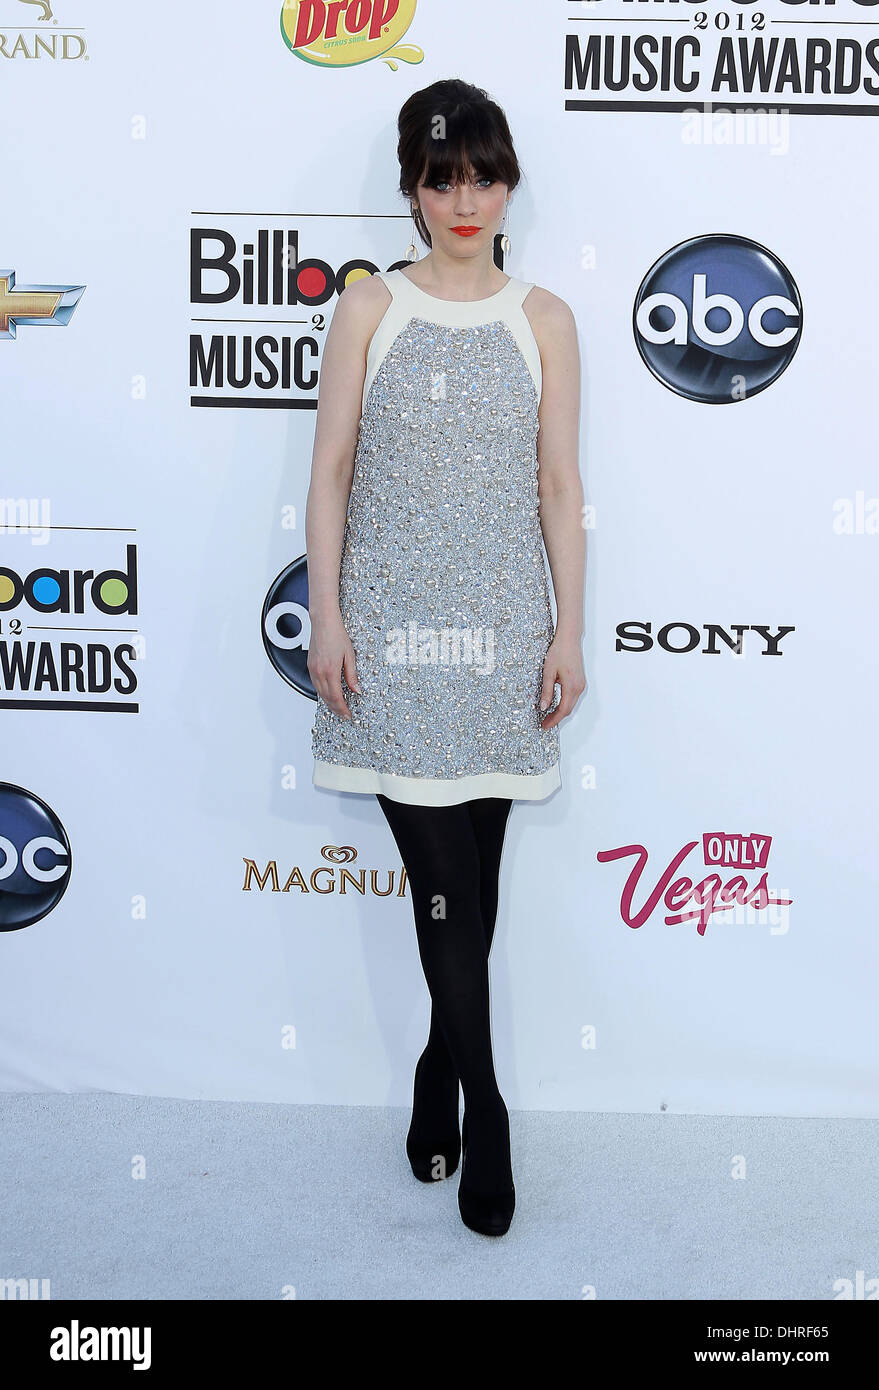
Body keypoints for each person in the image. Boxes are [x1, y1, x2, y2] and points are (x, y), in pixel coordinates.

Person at [305, 78, 586, 1237]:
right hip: (393, 643)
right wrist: (326, 614)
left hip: (504, 642)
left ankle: (436, 1070)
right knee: (443, 889)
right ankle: (491, 1110)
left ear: (507, 183)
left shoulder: (547, 317)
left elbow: (561, 485)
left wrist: (570, 626)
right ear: (412, 192)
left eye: (483, 175)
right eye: (441, 177)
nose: (464, 199)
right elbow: (328, 475)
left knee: (476, 889)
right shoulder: (370, 309)